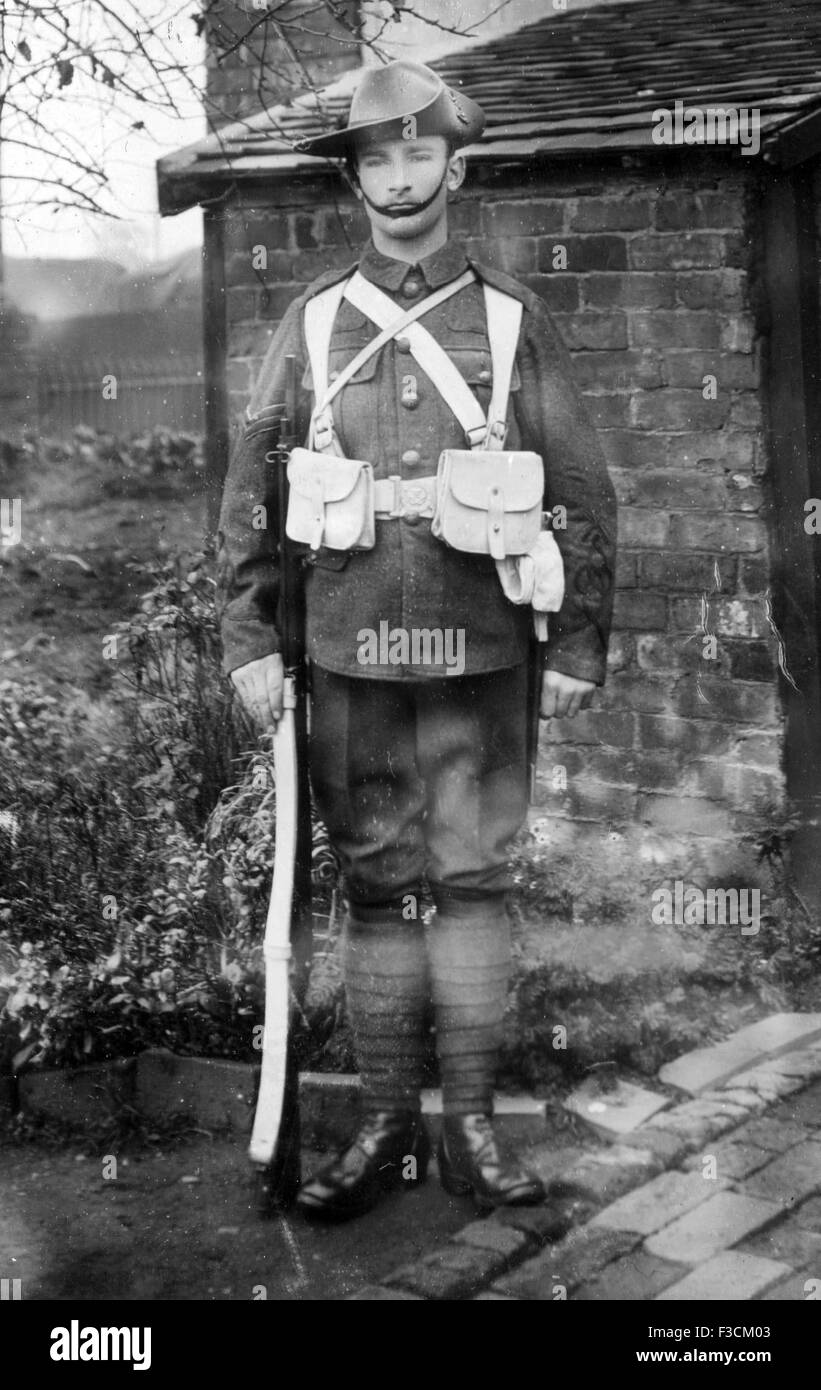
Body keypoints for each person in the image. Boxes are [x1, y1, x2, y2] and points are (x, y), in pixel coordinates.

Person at [216, 59, 617, 1222]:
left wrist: (578, 642)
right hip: (343, 657)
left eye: (416, 151)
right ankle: (386, 1125)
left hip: (484, 654)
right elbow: (249, 493)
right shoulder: (311, 322)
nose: (397, 177)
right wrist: (249, 633)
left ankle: (473, 1134)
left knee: (476, 882)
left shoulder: (507, 317)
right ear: (353, 177)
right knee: (378, 889)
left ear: (454, 163)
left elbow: (583, 493)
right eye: (374, 156)